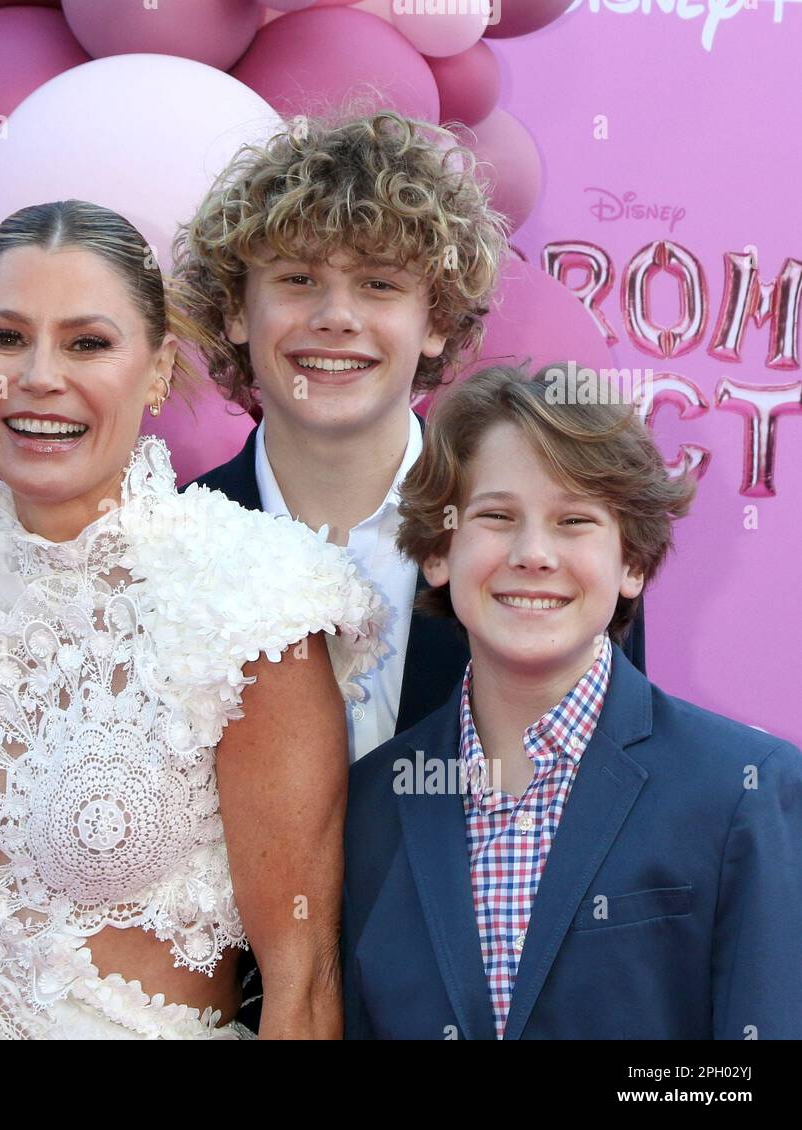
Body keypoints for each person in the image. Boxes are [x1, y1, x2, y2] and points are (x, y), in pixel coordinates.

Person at [0, 199, 386, 1040]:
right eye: (6, 338)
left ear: (159, 368)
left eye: (88, 343)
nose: (40, 377)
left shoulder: (250, 595)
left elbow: (302, 986)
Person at [176, 109, 648, 1028]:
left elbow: (614, 834)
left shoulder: (540, 554)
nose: (336, 318)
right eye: (298, 279)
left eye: (381, 284)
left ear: (437, 322)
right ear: (237, 310)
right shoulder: (160, 552)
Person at [342, 364, 802, 1039]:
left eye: (574, 521)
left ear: (633, 564)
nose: (533, 553)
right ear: (439, 551)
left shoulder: (745, 788)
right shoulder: (370, 803)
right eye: (496, 516)